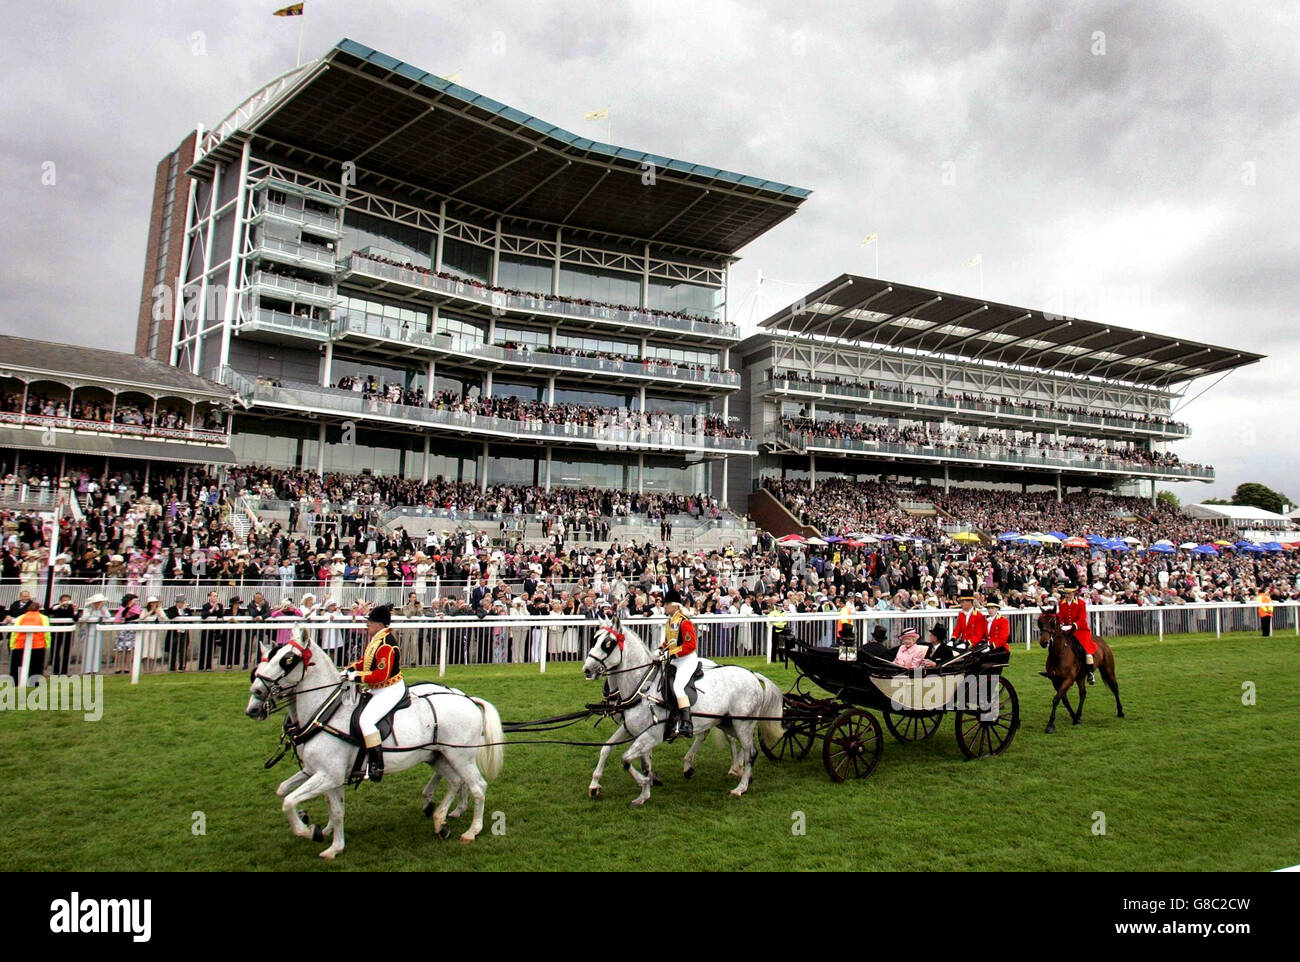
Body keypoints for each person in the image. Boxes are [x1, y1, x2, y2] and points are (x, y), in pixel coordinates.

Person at [346, 604, 404, 783]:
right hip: (378, 688)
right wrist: (351, 668)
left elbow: (380, 675)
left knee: (366, 720)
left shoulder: (387, 645)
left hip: (389, 689)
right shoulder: (377, 640)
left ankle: (376, 764)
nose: (366, 625)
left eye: (369, 622)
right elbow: (366, 661)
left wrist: (356, 677)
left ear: (379, 624)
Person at [659, 600, 698, 739]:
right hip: (675, 660)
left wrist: (671, 653)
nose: (665, 607)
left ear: (675, 606)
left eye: (666, 605)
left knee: (678, 687)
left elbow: (690, 645)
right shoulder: (670, 622)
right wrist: (660, 649)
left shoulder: (684, 621)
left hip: (687, 659)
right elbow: (668, 642)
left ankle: (687, 723)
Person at [1057, 585, 1096, 684]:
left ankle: (1090, 673)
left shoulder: (1081, 603)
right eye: (1066, 593)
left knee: (1086, 650)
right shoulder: (1061, 603)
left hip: (1080, 630)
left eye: (1069, 593)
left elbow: (1082, 619)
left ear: (1073, 593)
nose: (1067, 595)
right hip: (1066, 629)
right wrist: (1061, 624)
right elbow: (1060, 615)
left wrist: (1074, 626)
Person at [9, 600, 49, 683]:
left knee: (19, 664)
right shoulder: (44, 618)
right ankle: (34, 683)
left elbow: (14, 633)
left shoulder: (20, 617)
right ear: (39, 609)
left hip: (20, 644)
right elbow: (46, 633)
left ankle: (17, 681)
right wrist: (47, 644)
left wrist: (12, 644)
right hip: (38, 645)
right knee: (36, 666)